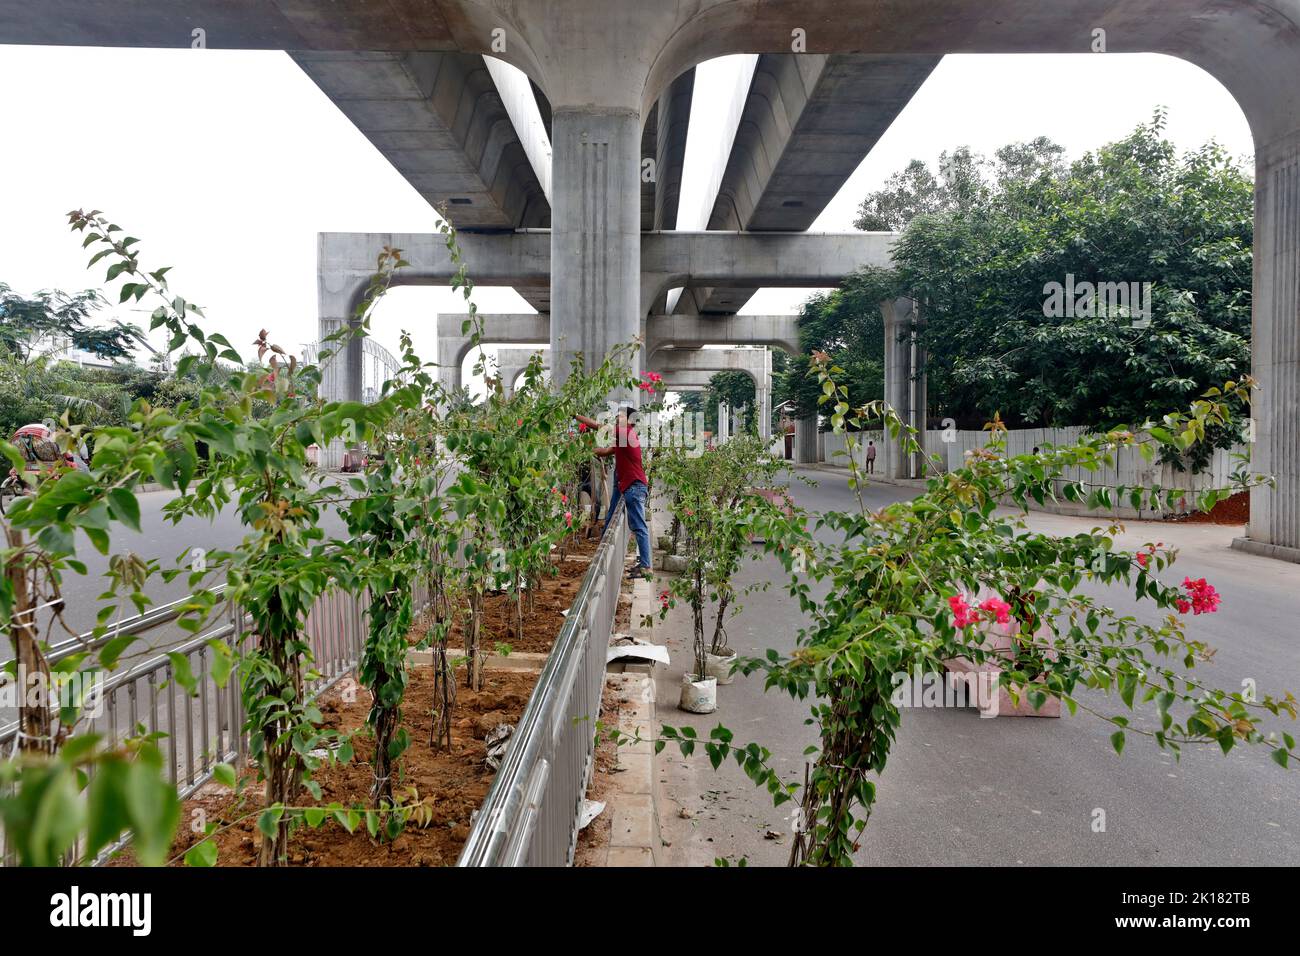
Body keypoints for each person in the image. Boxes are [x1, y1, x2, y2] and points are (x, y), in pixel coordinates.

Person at [575, 404, 652, 579]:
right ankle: (643, 564)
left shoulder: (624, 433)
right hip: (630, 486)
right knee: (633, 525)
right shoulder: (624, 439)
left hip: (634, 486)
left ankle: (646, 566)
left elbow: (598, 426)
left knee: (639, 527)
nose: (618, 418)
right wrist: (582, 451)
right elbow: (605, 451)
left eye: (621, 416)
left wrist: (575, 415)